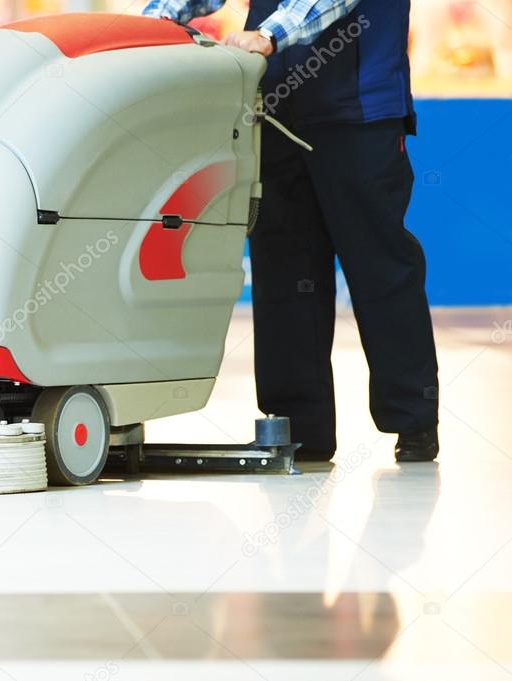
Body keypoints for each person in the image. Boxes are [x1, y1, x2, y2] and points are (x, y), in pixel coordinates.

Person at [142, 0, 440, 462]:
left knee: (380, 267)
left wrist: (270, 34)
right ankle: (298, 428)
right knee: (283, 268)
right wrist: (155, 21)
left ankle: (414, 421)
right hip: (275, 107)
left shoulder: (282, 35)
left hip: (359, 111)